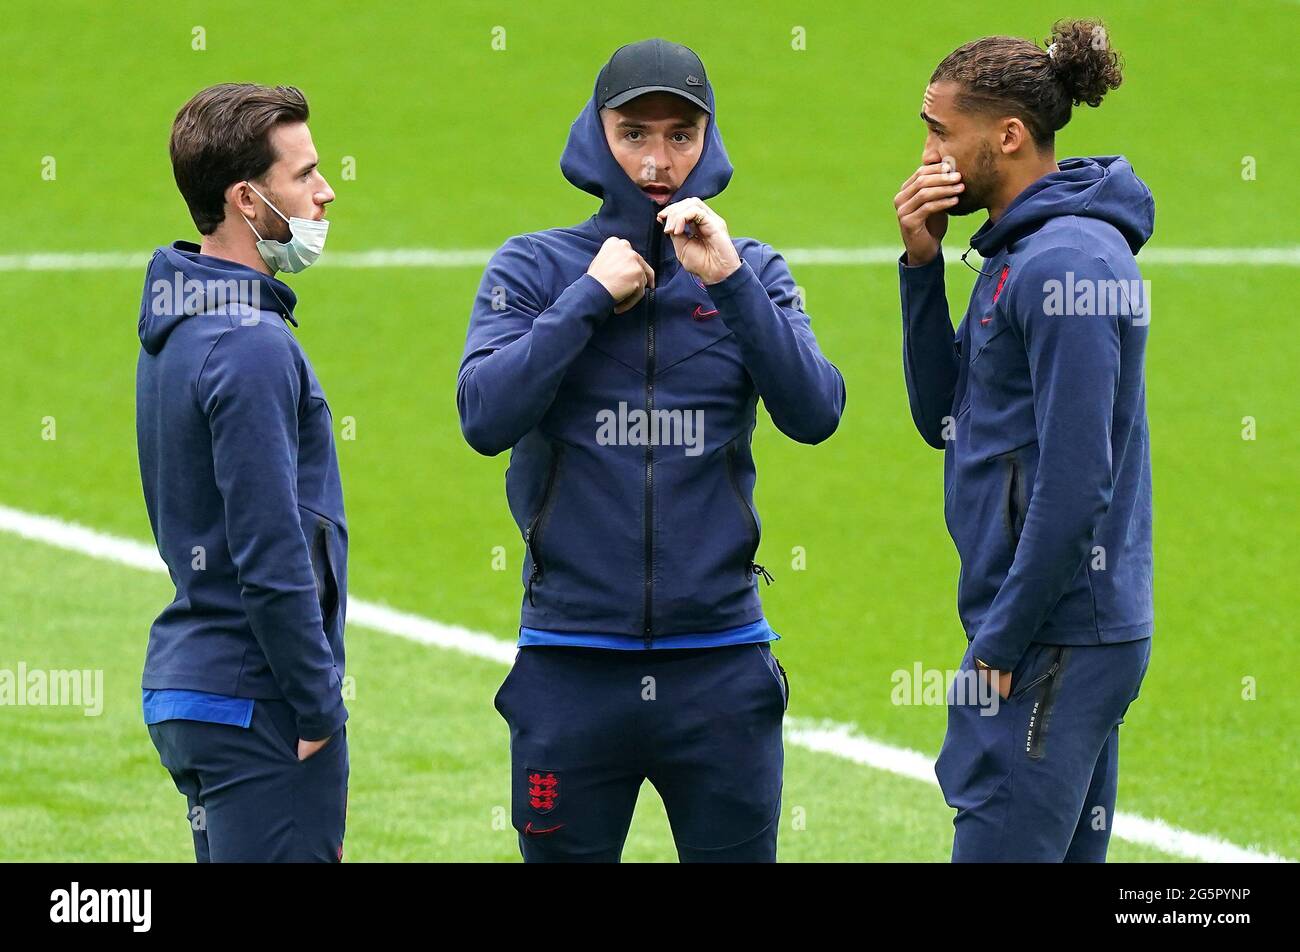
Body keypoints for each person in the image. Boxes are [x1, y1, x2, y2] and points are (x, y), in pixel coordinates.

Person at [458, 38, 845, 862]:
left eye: (681, 134)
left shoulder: (755, 270)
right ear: (596, 136)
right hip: (569, 666)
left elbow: (815, 412)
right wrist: (588, 299)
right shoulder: (533, 267)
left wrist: (731, 282)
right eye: (635, 133)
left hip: (722, 668)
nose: (658, 160)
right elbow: (484, 417)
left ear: (710, 140)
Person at [894, 19, 1154, 861]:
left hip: (1052, 634)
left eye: (940, 132)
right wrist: (921, 265)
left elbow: (1079, 484)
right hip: (1055, 627)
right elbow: (943, 415)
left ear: (1007, 135)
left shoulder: (1062, 262)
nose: (927, 153)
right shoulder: (1019, 252)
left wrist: (997, 649)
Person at [136, 83, 349, 862]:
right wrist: (320, 707)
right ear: (248, 199)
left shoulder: (180, 322)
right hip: (257, 700)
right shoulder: (250, 344)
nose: (326, 191)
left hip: (195, 688)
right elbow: (271, 550)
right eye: (305, 175)